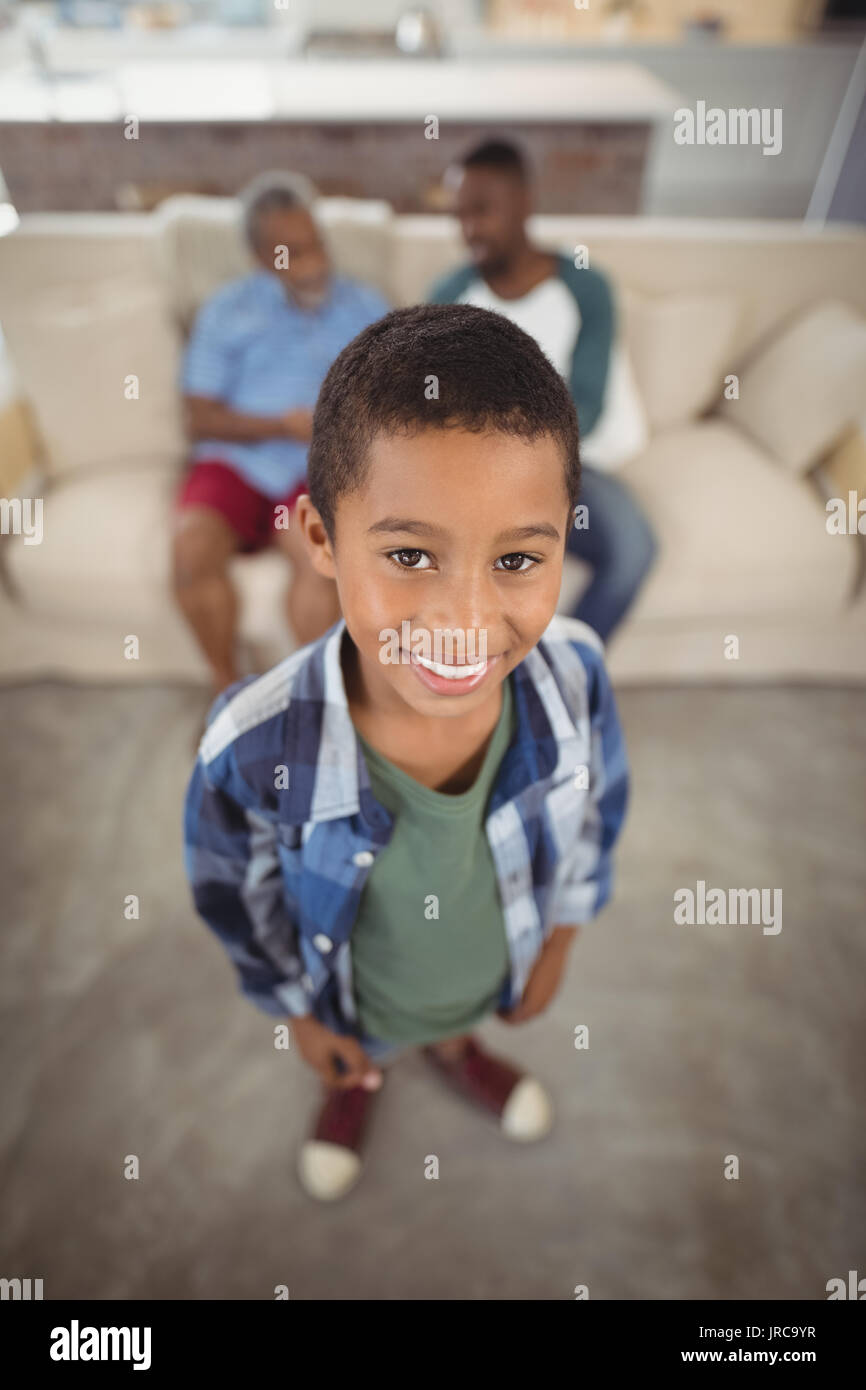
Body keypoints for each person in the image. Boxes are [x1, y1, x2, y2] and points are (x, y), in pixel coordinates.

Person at [183, 304, 629, 1202]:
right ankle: (355, 1082)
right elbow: (237, 893)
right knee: (357, 1051)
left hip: (489, 959)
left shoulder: (575, 671)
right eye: (411, 555)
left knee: (456, 1017)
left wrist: (560, 942)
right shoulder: (252, 742)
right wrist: (299, 1014)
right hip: (351, 992)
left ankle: (459, 1046)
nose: (466, 623)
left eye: (516, 561)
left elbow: (596, 813)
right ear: (320, 538)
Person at [429, 138, 656, 645]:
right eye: (460, 215)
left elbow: (588, 407)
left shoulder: (585, 285)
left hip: (575, 468)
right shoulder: (449, 297)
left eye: (483, 211)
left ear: (525, 203)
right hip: (478, 474)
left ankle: (553, 670)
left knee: (635, 549)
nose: (470, 230)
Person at [172, 171, 390, 696]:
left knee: (319, 564)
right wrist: (280, 424)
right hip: (237, 459)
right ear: (260, 256)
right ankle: (228, 691)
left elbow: (391, 407)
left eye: (315, 242)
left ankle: (312, 699)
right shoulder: (228, 309)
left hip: (315, 466)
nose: (312, 257)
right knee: (190, 549)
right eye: (291, 249)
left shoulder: (366, 307)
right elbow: (198, 416)